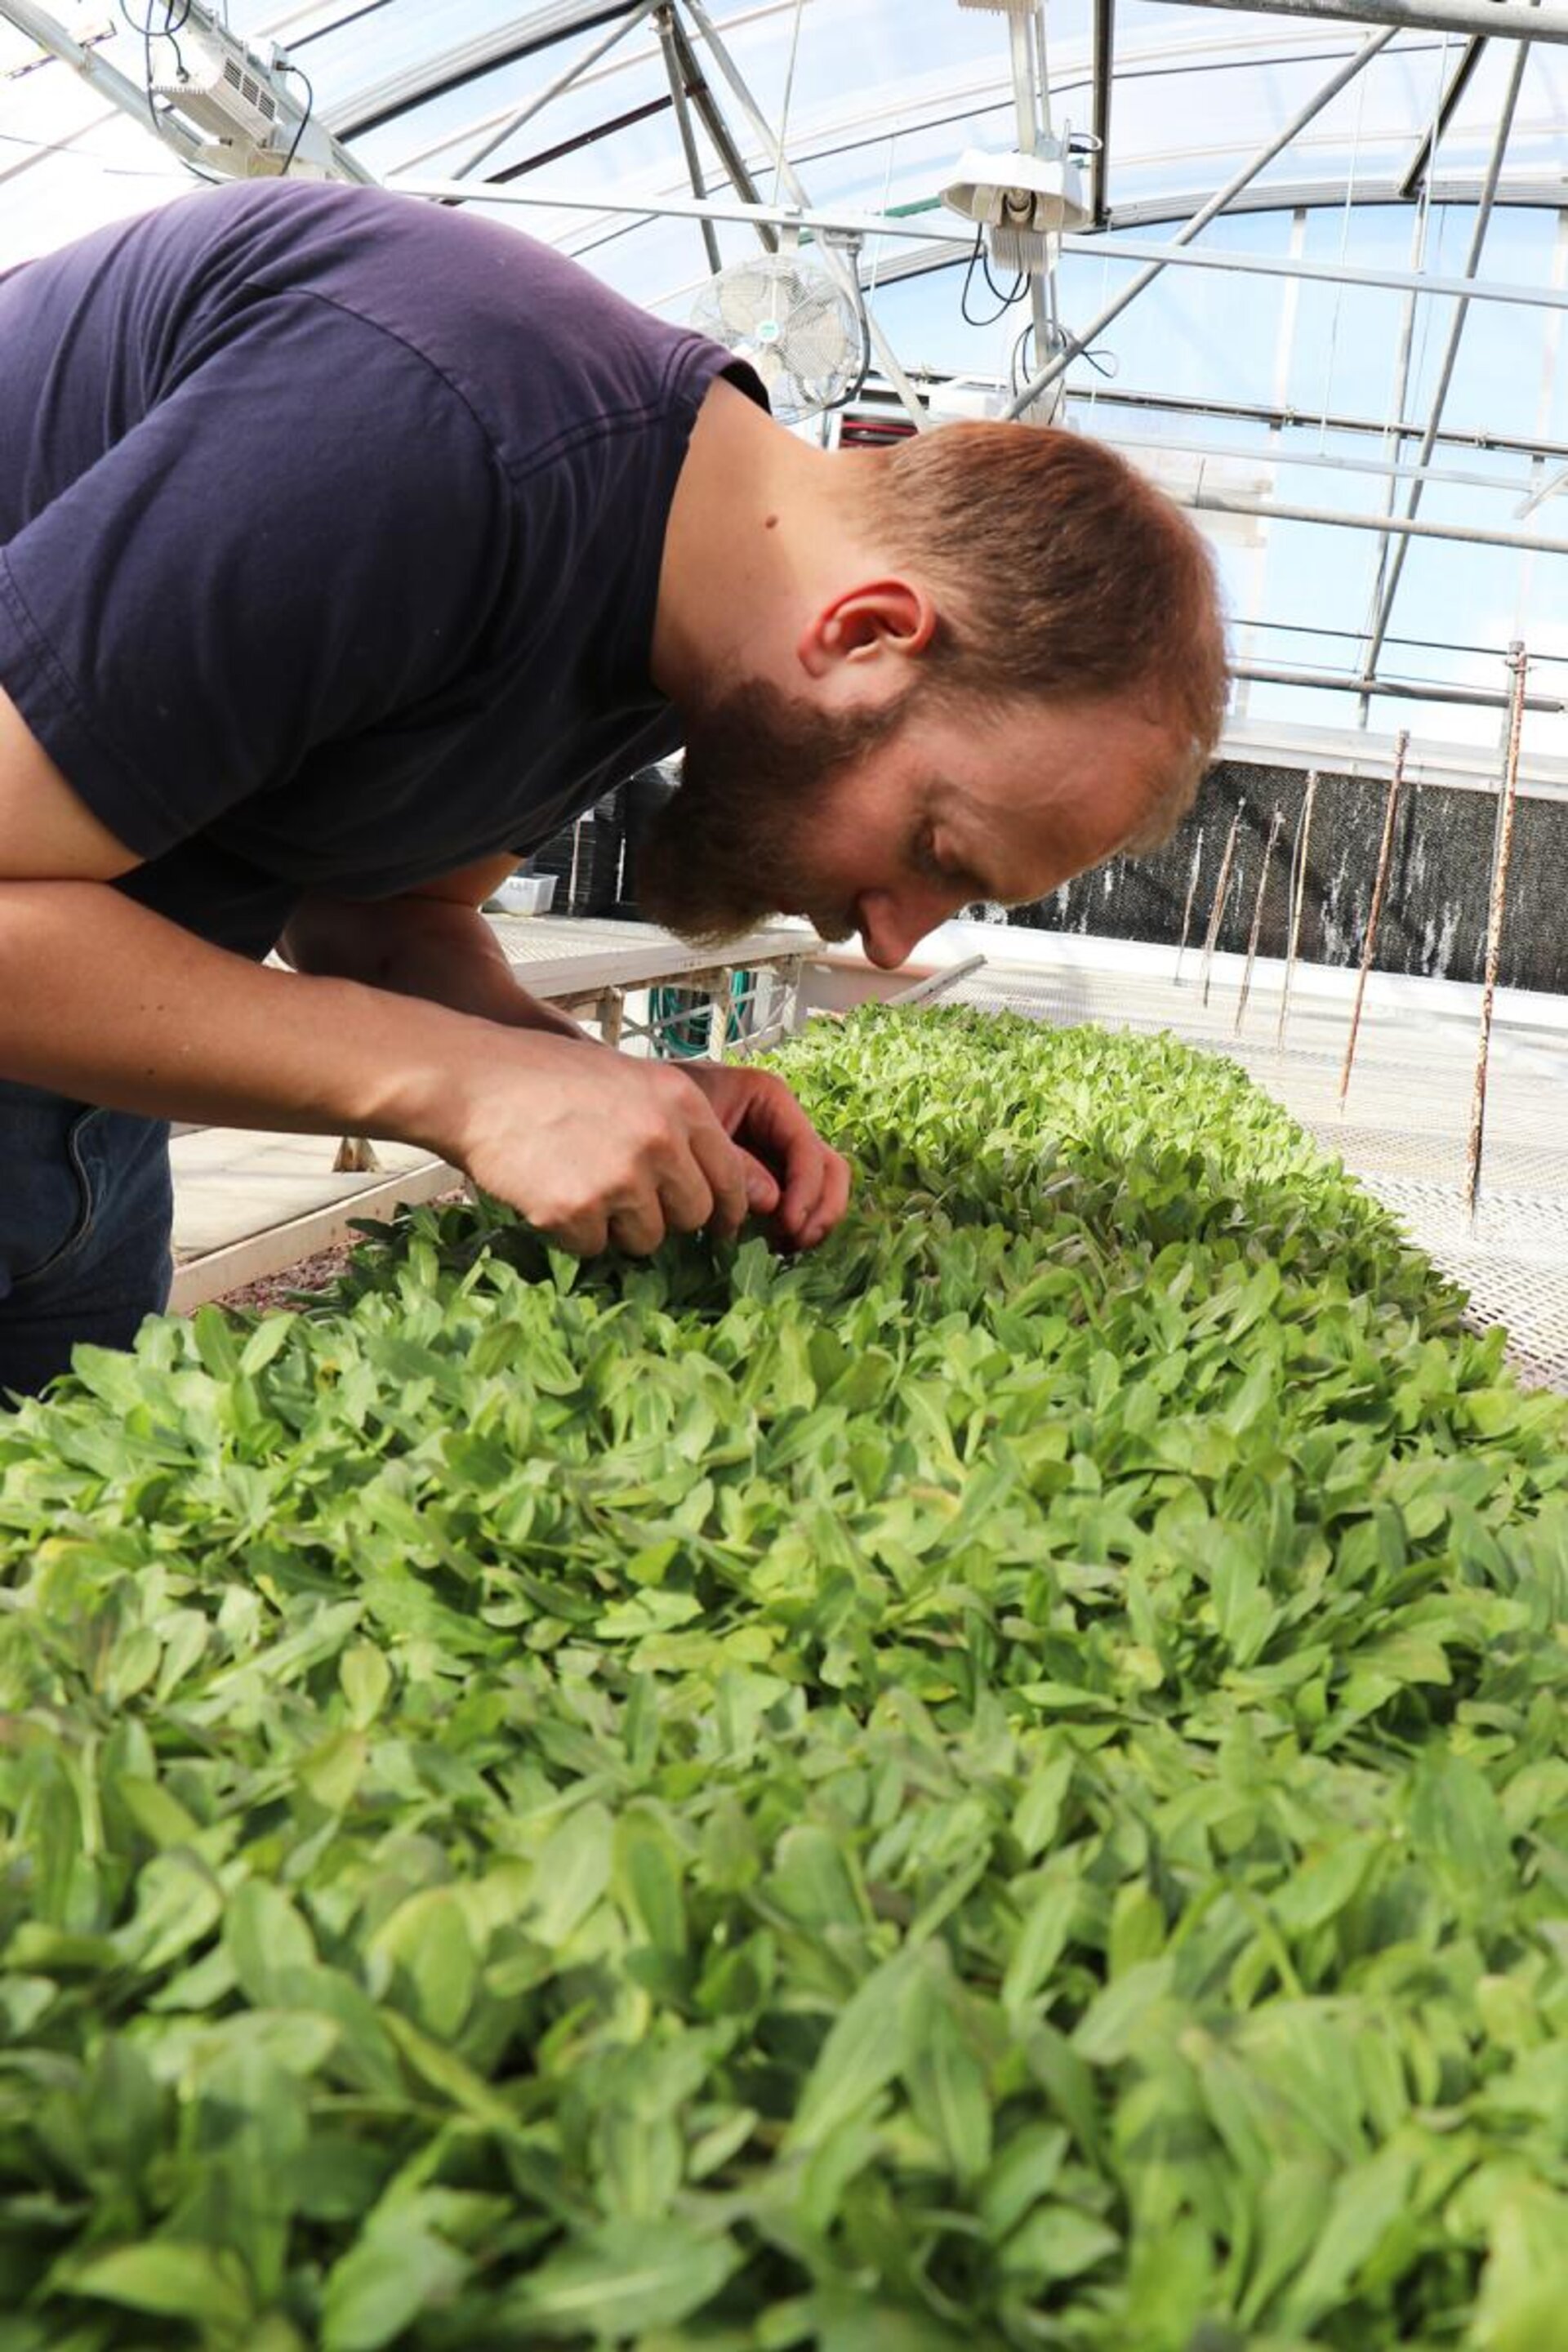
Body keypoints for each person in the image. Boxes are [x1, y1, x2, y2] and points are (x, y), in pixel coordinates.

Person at [0, 179, 1227, 1401]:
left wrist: (602, 1085)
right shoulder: (433, 434)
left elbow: (375, 917)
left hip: (86, 1118)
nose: (898, 936)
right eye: (941, 851)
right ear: (867, 634)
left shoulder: (672, 625)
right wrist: (459, 1083)